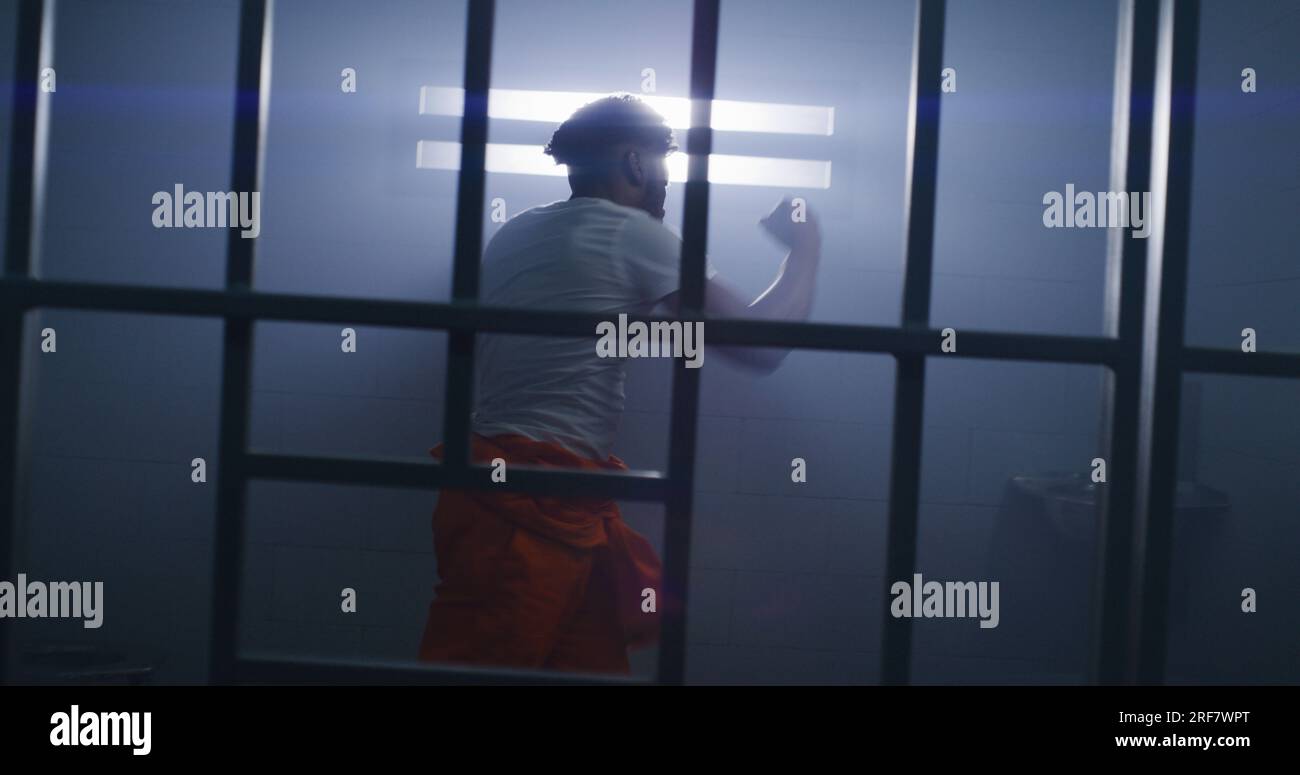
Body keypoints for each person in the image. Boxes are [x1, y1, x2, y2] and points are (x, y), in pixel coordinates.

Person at [419, 93, 821, 674]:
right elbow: (762, 347)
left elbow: (594, 335)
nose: (665, 184)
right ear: (635, 163)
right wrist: (806, 251)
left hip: (510, 492)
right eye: (662, 166)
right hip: (534, 504)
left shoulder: (518, 235)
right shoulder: (627, 232)